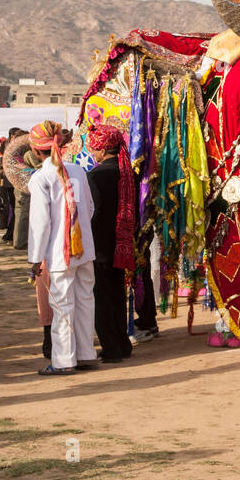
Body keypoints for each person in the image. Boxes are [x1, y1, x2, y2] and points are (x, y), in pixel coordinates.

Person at [26, 121, 97, 375]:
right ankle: (86, 354)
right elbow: (89, 208)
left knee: (62, 305)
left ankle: (65, 360)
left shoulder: (40, 178)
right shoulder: (77, 171)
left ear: (36, 151)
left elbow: (40, 224)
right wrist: (79, 235)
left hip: (59, 255)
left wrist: (35, 259)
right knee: (85, 300)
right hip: (83, 249)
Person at [86, 125, 134, 363]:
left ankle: (111, 347)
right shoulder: (127, 171)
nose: (92, 151)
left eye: (94, 147)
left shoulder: (95, 176)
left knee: (102, 298)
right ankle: (123, 343)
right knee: (117, 295)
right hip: (122, 243)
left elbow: (91, 212)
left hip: (100, 245)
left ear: (102, 149)